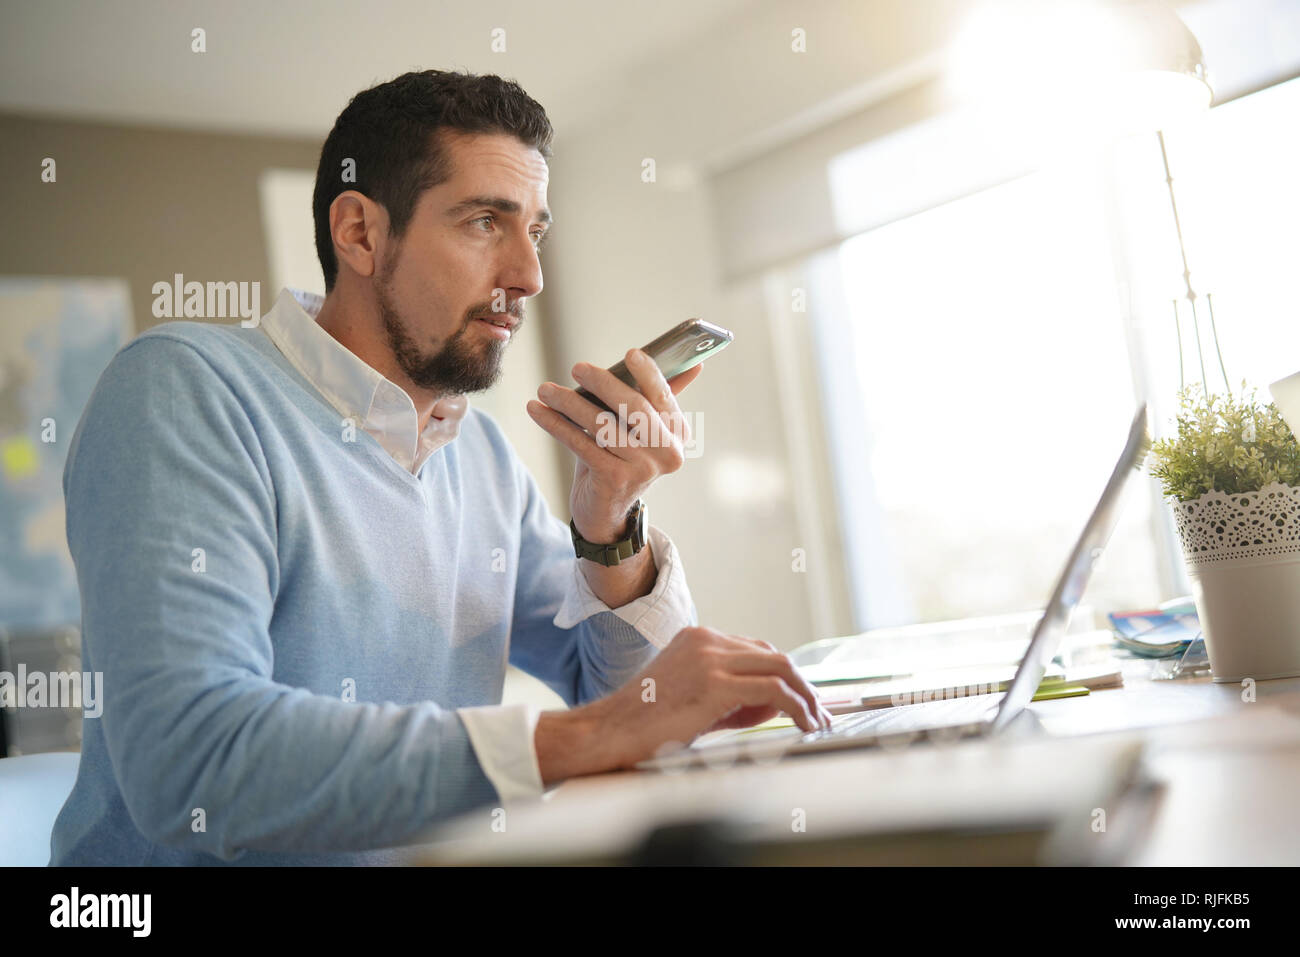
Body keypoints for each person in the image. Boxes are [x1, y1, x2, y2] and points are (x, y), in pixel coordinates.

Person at [49, 69, 829, 866]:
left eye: (537, 231)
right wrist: (594, 732)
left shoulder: (481, 456)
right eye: (487, 221)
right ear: (358, 233)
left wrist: (611, 523)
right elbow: (192, 767)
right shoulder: (183, 390)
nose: (529, 276)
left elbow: (629, 708)